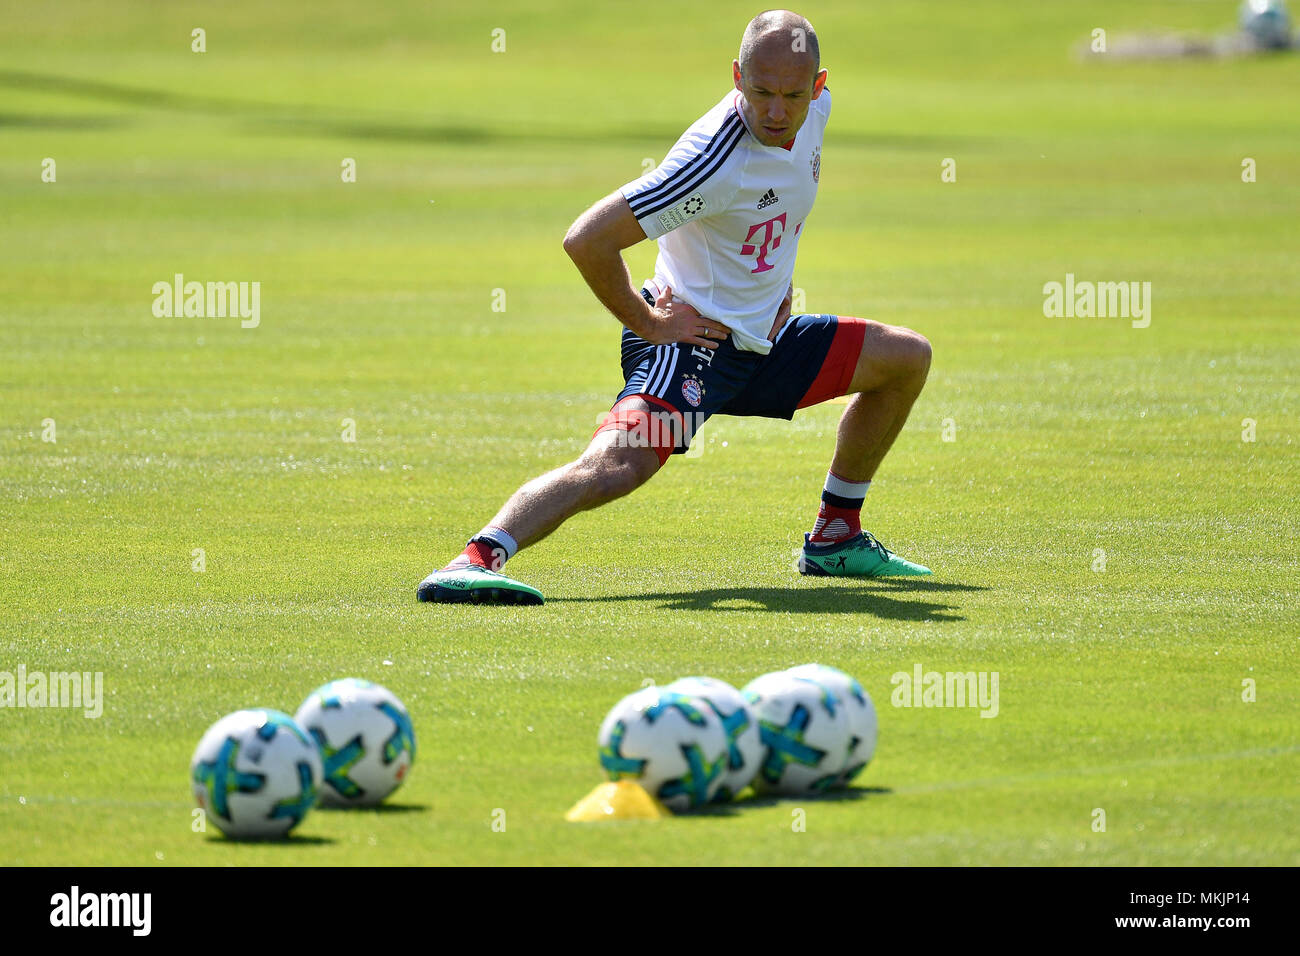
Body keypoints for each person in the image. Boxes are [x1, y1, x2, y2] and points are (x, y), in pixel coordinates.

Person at [418, 9, 933, 605]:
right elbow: (586, 239)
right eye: (761, 92)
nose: (775, 111)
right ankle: (475, 559)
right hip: (692, 349)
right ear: (736, 76)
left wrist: (775, 287)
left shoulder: (814, 110)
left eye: (792, 94)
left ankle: (835, 535)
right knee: (616, 468)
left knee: (904, 359)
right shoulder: (710, 162)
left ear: (819, 86)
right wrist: (650, 323)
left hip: (762, 345)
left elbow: (776, 210)